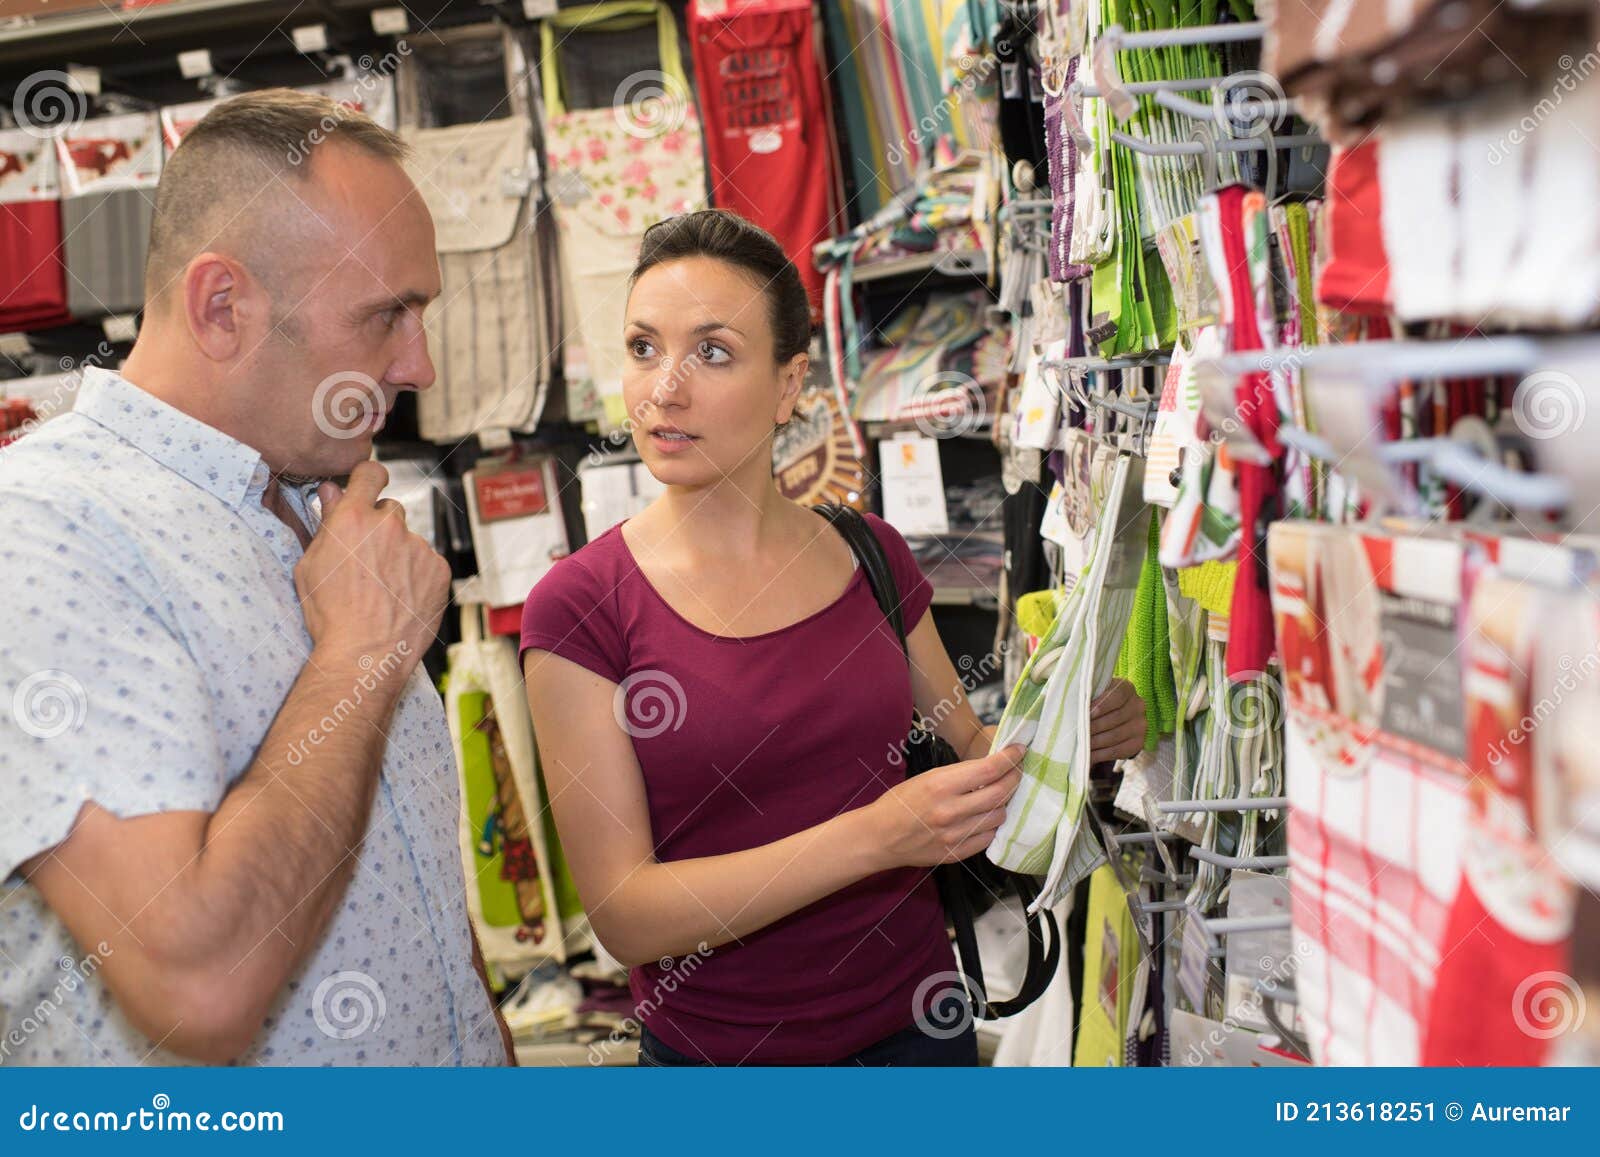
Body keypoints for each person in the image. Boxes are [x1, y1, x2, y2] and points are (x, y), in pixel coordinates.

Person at [521, 209, 1149, 1066]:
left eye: (712, 352)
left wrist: (1074, 737)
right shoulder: (580, 606)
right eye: (643, 347)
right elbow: (625, 914)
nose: (664, 389)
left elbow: (971, 747)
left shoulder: (870, 552)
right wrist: (876, 837)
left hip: (922, 1034)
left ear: (789, 385)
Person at [0, 90, 510, 1066]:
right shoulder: (42, 529)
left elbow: (416, 897)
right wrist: (360, 655)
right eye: (386, 316)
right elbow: (197, 983)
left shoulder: (325, 509)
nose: (420, 366)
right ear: (222, 307)